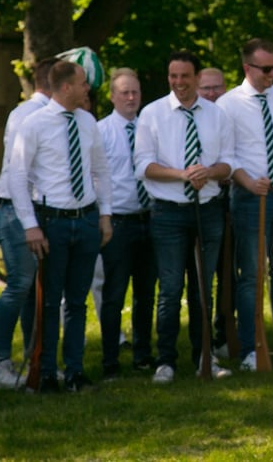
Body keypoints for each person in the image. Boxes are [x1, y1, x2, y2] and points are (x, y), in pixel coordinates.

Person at [9, 60, 114, 392]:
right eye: (83, 83)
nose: (88, 89)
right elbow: (17, 177)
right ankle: (47, 372)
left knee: (78, 301)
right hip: (51, 221)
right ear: (66, 86)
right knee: (50, 301)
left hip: (84, 219)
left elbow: (101, 170)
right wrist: (30, 226)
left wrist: (105, 215)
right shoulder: (34, 124)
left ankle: (75, 371)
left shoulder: (87, 121)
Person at [136, 51, 234, 383]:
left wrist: (209, 171)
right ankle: (166, 360)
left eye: (185, 77)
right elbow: (143, 165)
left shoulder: (216, 115)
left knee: (203, 288)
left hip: (207, 210)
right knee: (170, 289)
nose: (179, 83)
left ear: (196, 77)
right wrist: (182, 174)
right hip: (167, 212)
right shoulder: (152, 114)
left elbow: (228, 163)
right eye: (173, 77)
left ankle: (204, 357)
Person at [216, 38, 273, 370]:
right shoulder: (228, 104)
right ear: (247, 68)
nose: (272, 74)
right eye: (266, 69)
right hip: (249, 198)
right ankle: (251, 348)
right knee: (251, 275)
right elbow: (226, 156)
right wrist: (247, 181)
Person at [0, 56, 58, 390]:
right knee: (19, 285)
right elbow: (20, 172)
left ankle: (37, 359)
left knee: (34, 291)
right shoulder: (27, 115)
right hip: (16, 210)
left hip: (32, 210)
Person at [97, 68, 157, 378]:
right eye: (124, 93)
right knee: (114, 293)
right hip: (118, 222)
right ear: (112, 96)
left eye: (135, 92)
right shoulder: (101, 130)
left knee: (146, 292)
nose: (131, 98)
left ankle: (143, 354)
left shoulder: (149, 127)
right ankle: (110, 360)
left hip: (150, 218)